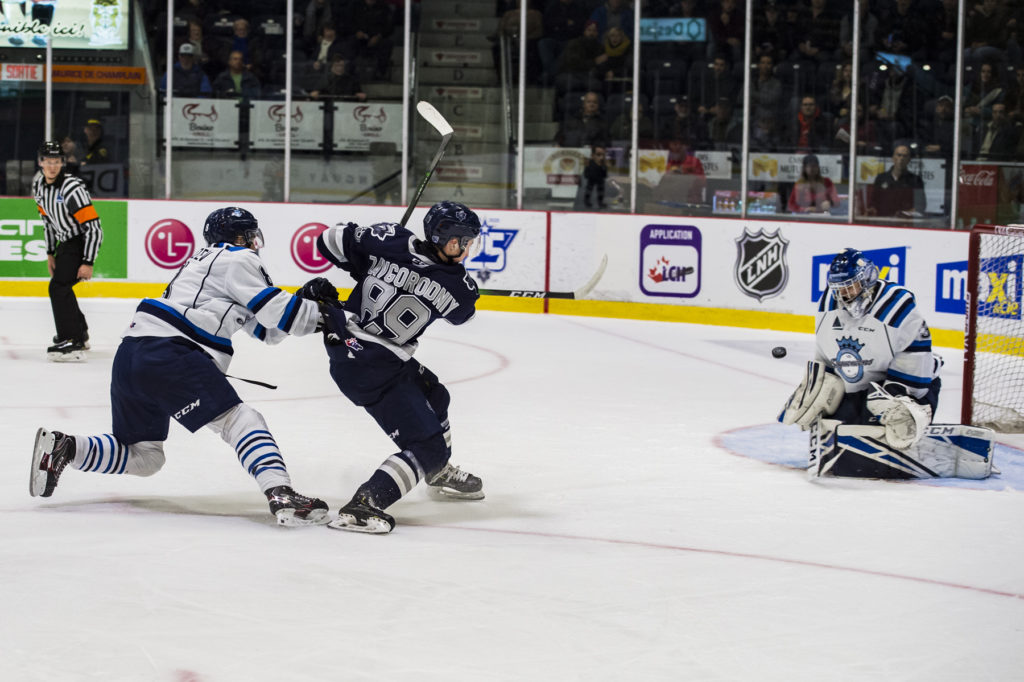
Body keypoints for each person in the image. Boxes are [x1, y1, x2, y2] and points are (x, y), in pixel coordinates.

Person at [29, 207, 335, 526]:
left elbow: (268, 330)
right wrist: (327, 314)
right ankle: (281, 492)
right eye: (250, 235)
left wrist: (303, 302)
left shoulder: (204, 265)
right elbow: (279, 314)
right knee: (240, 420)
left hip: (132, 354)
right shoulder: (238, 259)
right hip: (170, 353)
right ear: (239, 237)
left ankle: (67, 447)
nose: (254, 242)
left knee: (145, 456)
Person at [313, 201, 485, 533]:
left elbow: (326, 240)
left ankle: (437, 471)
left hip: (357, 351)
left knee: (435, 394)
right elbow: (462, 315)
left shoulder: (389, 239)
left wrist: (365, 257)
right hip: (373, 365)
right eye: (460, 241)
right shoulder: (458, 284)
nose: (465, 249)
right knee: (429, 448)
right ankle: (365, 504)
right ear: (442, 237)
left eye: (468, 242)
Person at [779, 249, 951, 479]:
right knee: (842, 437)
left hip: (903, 383)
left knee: (897, 425)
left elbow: (915, 365)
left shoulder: (897, 307)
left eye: (850, 286)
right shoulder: (828, 303)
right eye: (839, 288)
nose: (844, 295)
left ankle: (915, 424)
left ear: (867, 279)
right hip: (862, 386)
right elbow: (826, 354)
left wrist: (901, 401)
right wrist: (822, 385)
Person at [32, 141, 103, 361]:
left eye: (56, 161)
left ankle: (72, 339)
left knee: (58, 287)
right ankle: (79, 333)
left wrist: (88, 261)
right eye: (48, 161)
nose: (52, 166)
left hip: (80, 242)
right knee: (61, 286)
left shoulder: (71, 187)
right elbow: (47, 222)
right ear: (41, 162)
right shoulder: (39, 186)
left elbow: (94, 227)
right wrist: (50, 253)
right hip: (64, 244)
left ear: (62, 163)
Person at [868, 143, 926, 217]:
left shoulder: (915, 180)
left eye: (905, 156)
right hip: (883, 221)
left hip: (905, 222)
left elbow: (920, 206)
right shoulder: (881, 178)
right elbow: (873, 203)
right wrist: (871, 210)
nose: (901, 158)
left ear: (909, 160)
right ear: (893, 158)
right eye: (899, 155)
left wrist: (905, 214)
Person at [582, 144, 609, 208]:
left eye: (602, 154)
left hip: (600, 177)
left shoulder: (603, 162)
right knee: (589, 189)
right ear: (593, 155)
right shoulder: (590, 162)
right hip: (592, 177)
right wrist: (587, 175)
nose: (601, 157)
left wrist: (604, 174)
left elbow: (604, 170)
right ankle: (587, 201)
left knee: (600, 190)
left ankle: (600, 202)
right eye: (598, 154)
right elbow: (586, 169)